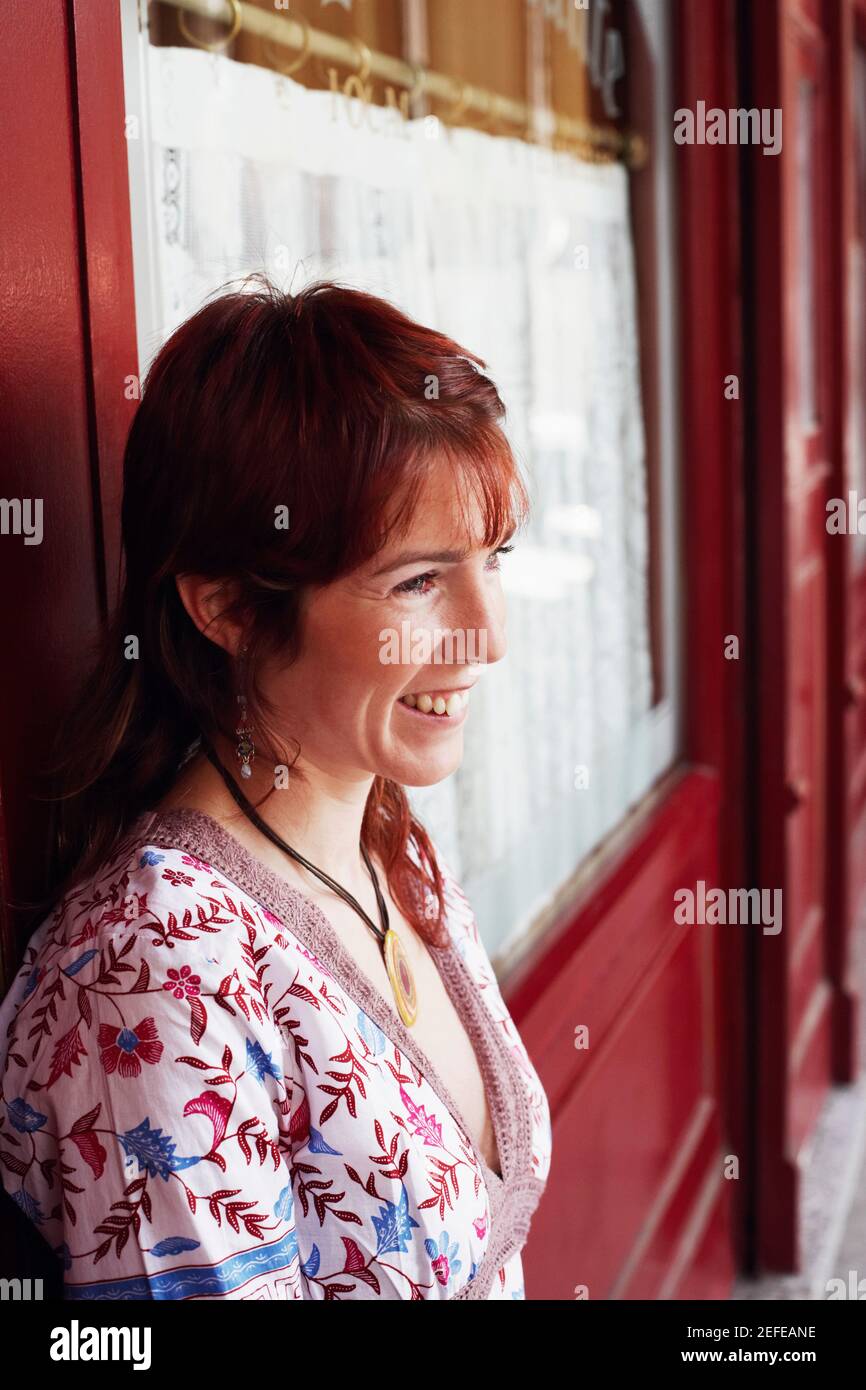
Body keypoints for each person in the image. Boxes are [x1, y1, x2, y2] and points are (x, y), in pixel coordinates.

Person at [0, 277, 552, 1300]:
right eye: (417, 581)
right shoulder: (158, 967)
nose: (489, 631)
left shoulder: (388, 840)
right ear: (227, 607)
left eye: (494, 558)